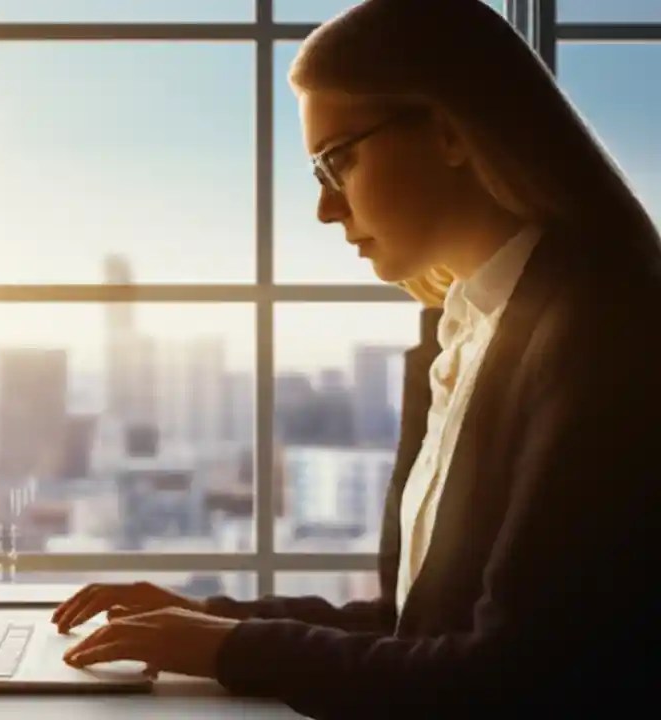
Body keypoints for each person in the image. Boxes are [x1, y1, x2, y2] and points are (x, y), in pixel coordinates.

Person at [50, 0, 661, 716]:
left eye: (337, 160)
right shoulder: (466, 331)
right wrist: (209, 618)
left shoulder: (599, 332)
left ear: (447, 131)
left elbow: (508, 675)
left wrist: (223, 646)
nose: (325, 209)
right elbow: (417, 629)